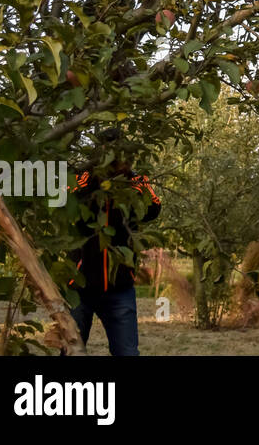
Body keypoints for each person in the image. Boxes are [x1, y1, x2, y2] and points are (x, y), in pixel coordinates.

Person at [65, 133, 161, 355]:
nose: (120, 161)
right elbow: (62, 203)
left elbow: (154, 208)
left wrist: (128, 189)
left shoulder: (136, 181)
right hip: (80, 286)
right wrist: (93, 184)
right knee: (71, 350)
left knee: (127, 352)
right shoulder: (82, 177)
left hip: (120, 285)